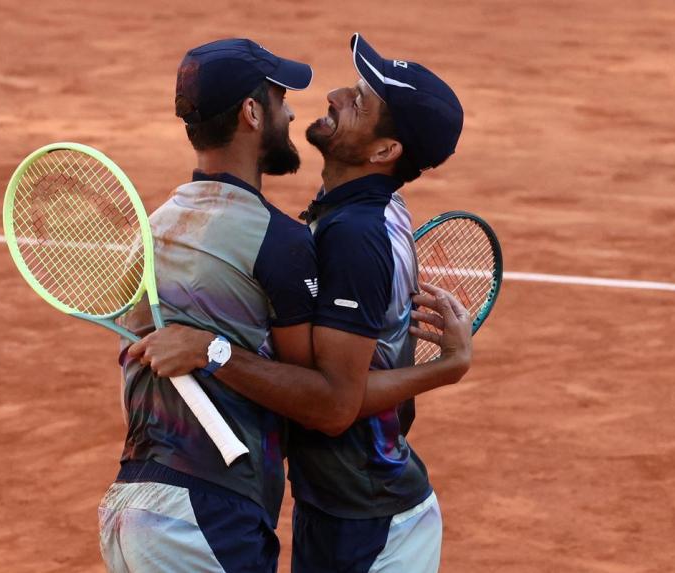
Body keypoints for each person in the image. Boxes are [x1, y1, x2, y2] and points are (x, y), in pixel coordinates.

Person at [128, 33, 469, 573]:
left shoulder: (353, 235)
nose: (334, 95)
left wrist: (211, 350)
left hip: (370, 520)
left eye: (359, 101)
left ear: (385, 151)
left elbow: (333, 404)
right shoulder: (363, 214)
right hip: (340, 510)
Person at [97, 38, 318, 573]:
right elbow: (315, 401)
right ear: (251, 113)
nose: (289, 112)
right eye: (279, 98)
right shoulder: (279, 241)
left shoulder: (155, 229)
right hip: (207, 517)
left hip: (131, 509)